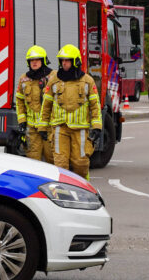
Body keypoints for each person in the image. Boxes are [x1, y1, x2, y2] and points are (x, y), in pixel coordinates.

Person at [49, 43, 102, 180]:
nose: (64, 63)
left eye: (67, 60)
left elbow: (95, 105)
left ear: (75, 62)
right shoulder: (54, 80)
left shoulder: (87, 81)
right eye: (62, 60)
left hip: (81, 129)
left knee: (80, 162)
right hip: (60, 128)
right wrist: (43, 127)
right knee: (60, 164)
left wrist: (97, 127)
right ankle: (63, 191)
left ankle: (83, 186)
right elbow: (46, 105)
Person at [12, 44, 55, 164]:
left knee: (51, 159)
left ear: (43, 61)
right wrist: (21, 121)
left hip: (49, 128)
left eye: (37, 60)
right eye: (31, 60)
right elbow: (20, 101)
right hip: (32, 129)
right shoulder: (24, 79)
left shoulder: (53, 77)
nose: (34, 63)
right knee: (33, 161)